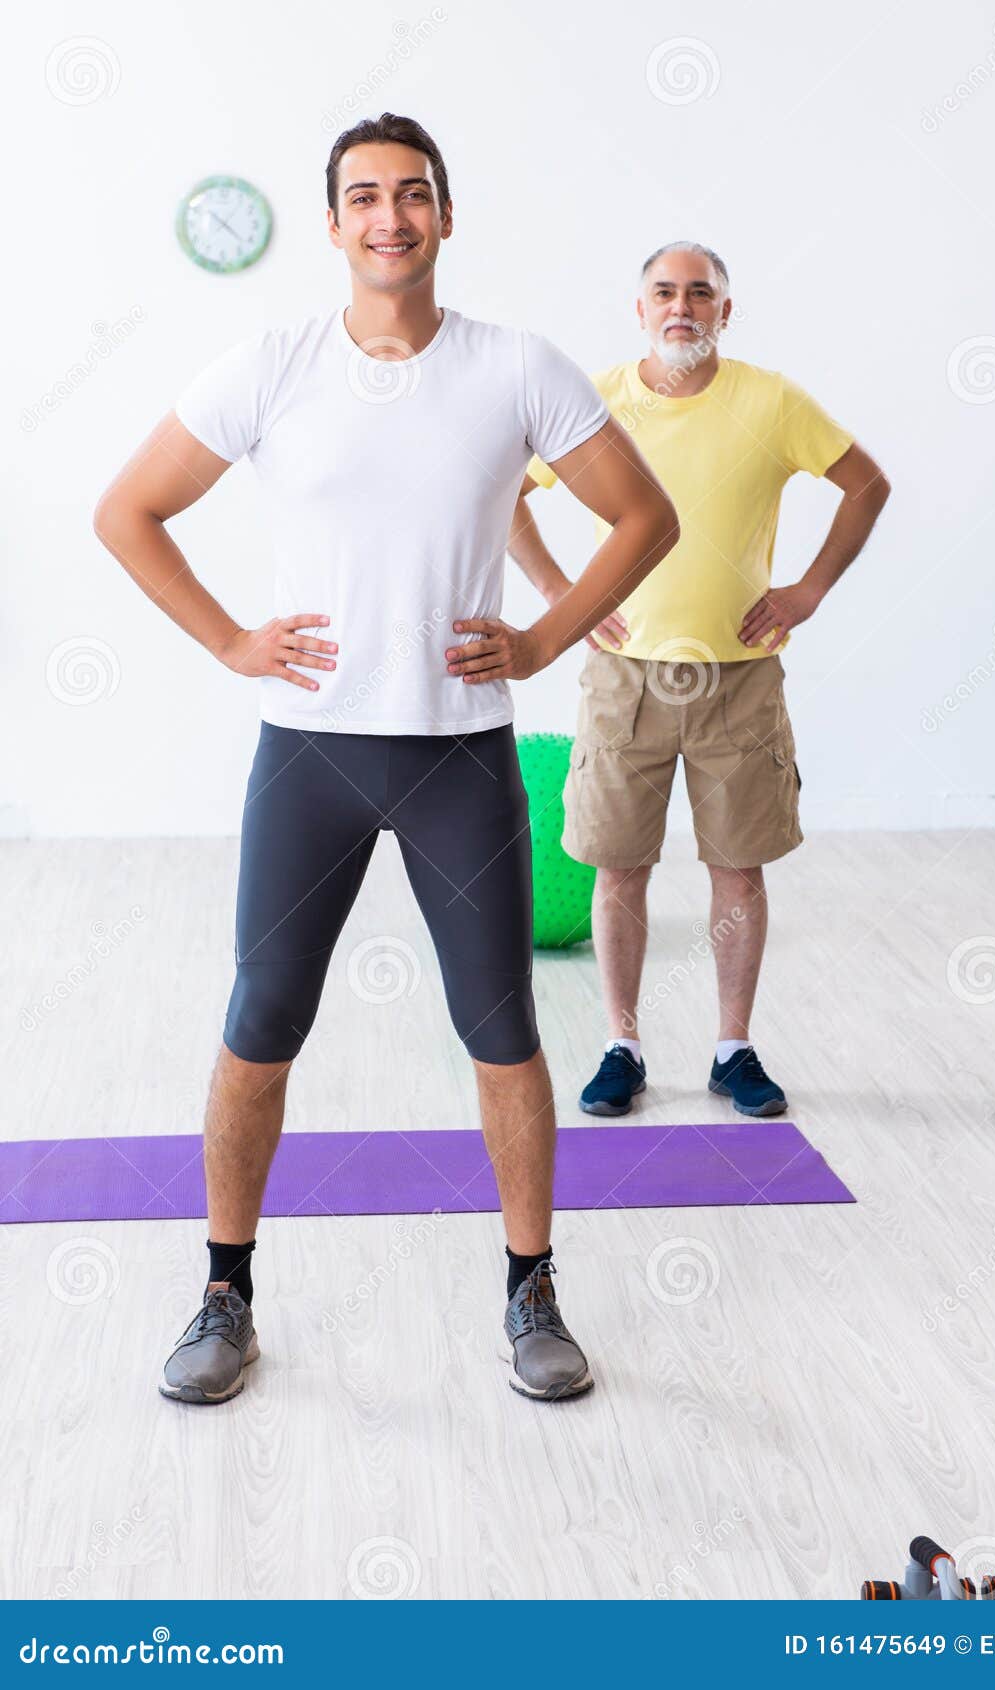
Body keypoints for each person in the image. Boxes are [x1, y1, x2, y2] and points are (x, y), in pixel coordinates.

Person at [92, 113, 679, 1406]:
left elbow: (646, 516)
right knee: (260, 1025)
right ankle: (225, 1294)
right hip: (310, 751)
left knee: (504, 1031)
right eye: (364, 197)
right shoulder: (272, 364)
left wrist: (543, 636)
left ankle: (532, 1288)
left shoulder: (514, 366)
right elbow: (126, 510)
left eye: (412, 194)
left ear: (445, 216)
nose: (390, 217)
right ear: (333, 224)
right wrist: (232, 639)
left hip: (458, 755)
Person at [509, 242, 890, 1120]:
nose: (681, 306)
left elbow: (866, 484)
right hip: (624, 680)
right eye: (664, 292)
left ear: (725, 310)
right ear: (639, 309)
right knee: (618, 870)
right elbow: (505, 495)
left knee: (738, 871)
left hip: (740, 682)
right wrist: (563, 596)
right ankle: (622, 1046)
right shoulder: (595, 401)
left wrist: (809, 590)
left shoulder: (772, 401)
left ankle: (733, 1049)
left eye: (700, 293)